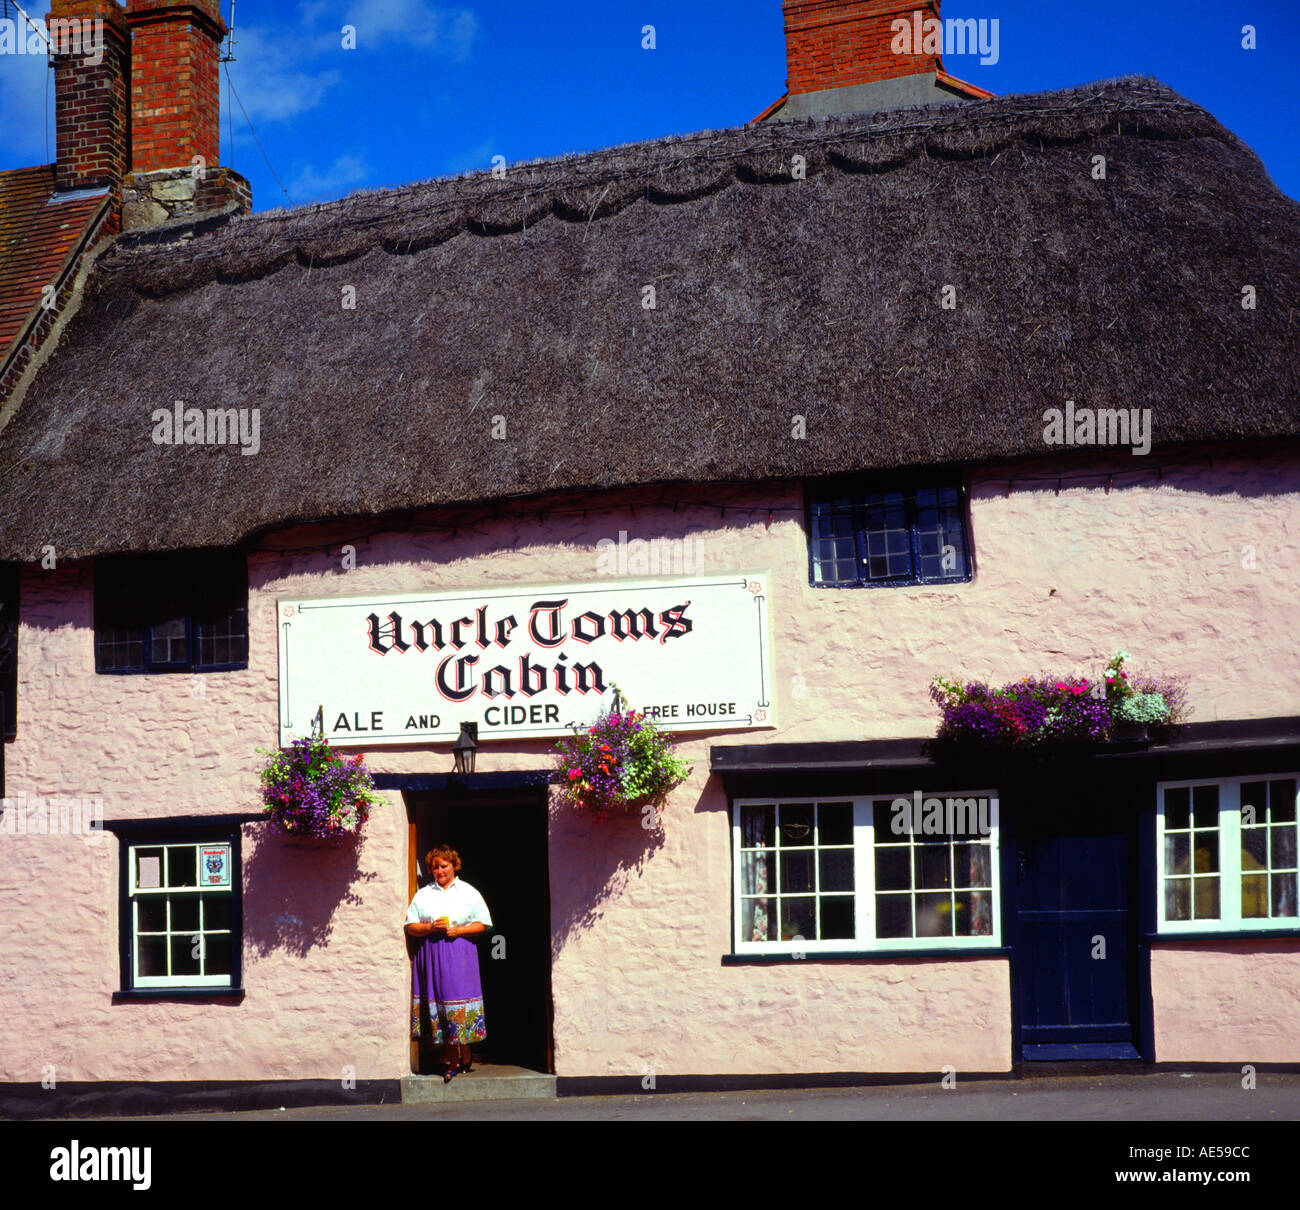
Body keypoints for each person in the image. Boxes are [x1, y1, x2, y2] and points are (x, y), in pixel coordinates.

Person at [404, 845, 492, 1081]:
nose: (440, 870)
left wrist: (459, 930)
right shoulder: (423, 894)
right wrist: (430, 927)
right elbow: (410, 926)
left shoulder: (468, 892)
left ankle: (464, 1053)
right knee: (442, 1005)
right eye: (435, 867)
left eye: (444, 865)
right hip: (432, 954)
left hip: (460, 954)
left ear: (454, 865)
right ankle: (453, 1060)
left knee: (456, 1003)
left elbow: (484, 923)